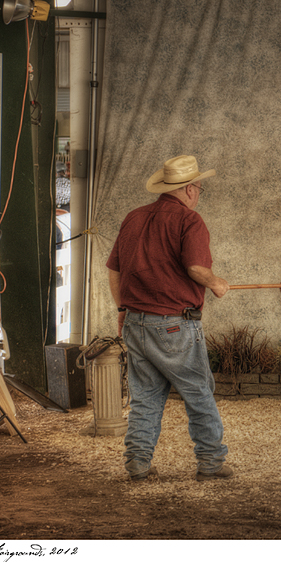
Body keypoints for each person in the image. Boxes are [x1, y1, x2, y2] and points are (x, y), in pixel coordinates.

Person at [106, 154, 233, 481]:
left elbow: (114, 270)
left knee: (145, 398)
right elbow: (196, 268)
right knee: (198, 393)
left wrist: (122, 309)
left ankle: (137, 464)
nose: (198, 194)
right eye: (199, 189)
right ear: (190, 189)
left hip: (135, 322)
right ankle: (210, 463)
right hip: (175, 324)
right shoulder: (189, 221)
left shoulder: (134, 217)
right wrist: (216, 282)